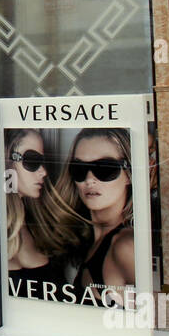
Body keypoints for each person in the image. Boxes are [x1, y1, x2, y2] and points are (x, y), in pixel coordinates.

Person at [48, 127, 136, 307]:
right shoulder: (86, 240)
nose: (89, 179)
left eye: (104, 168)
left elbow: (162, 320)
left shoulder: (126, 246)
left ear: (129, 174)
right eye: (80, 169)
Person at [4, 128, 70, 300]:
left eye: (42, 162)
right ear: (7, 161)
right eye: (32, 161)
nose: (43, 171)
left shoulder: (36, 222)